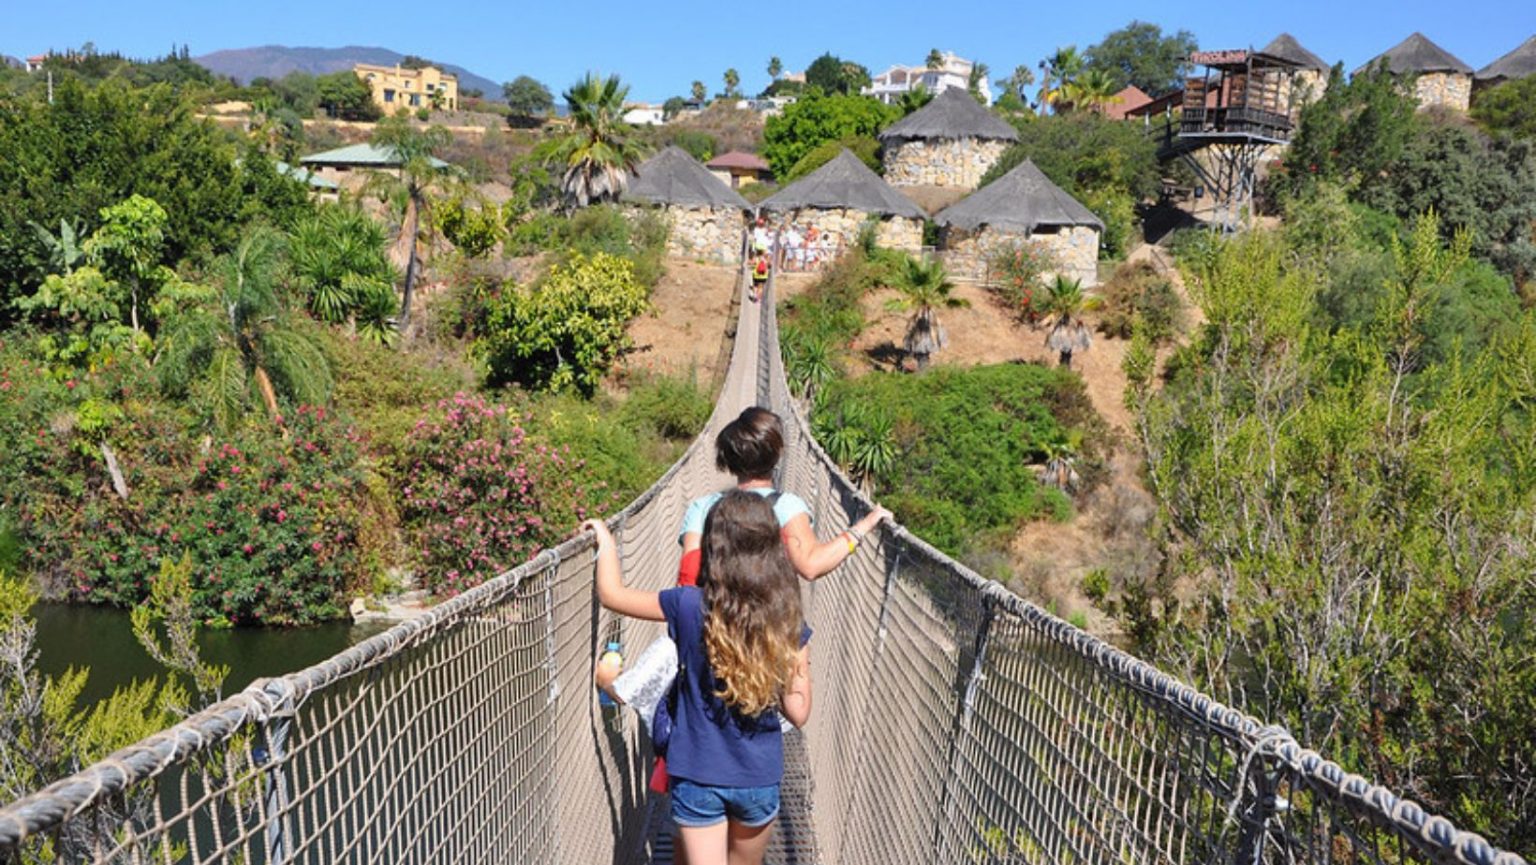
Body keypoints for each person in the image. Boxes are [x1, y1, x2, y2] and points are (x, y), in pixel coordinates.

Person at [587, 491, 812, 865]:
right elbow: (798, 712)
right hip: (757, 775)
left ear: (712, 545)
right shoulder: (786, 617)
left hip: (696, 773)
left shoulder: (687, 604)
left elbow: (612, 595)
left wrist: (606, 541)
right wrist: (797, 671)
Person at [678, 407, 889, 585]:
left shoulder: (703, 507)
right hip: (769, 628)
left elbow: (689, 575)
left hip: (713, 625)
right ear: (777, 455)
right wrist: (862, 527)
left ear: (728, 460)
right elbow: (810, 566)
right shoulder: (786, 506)